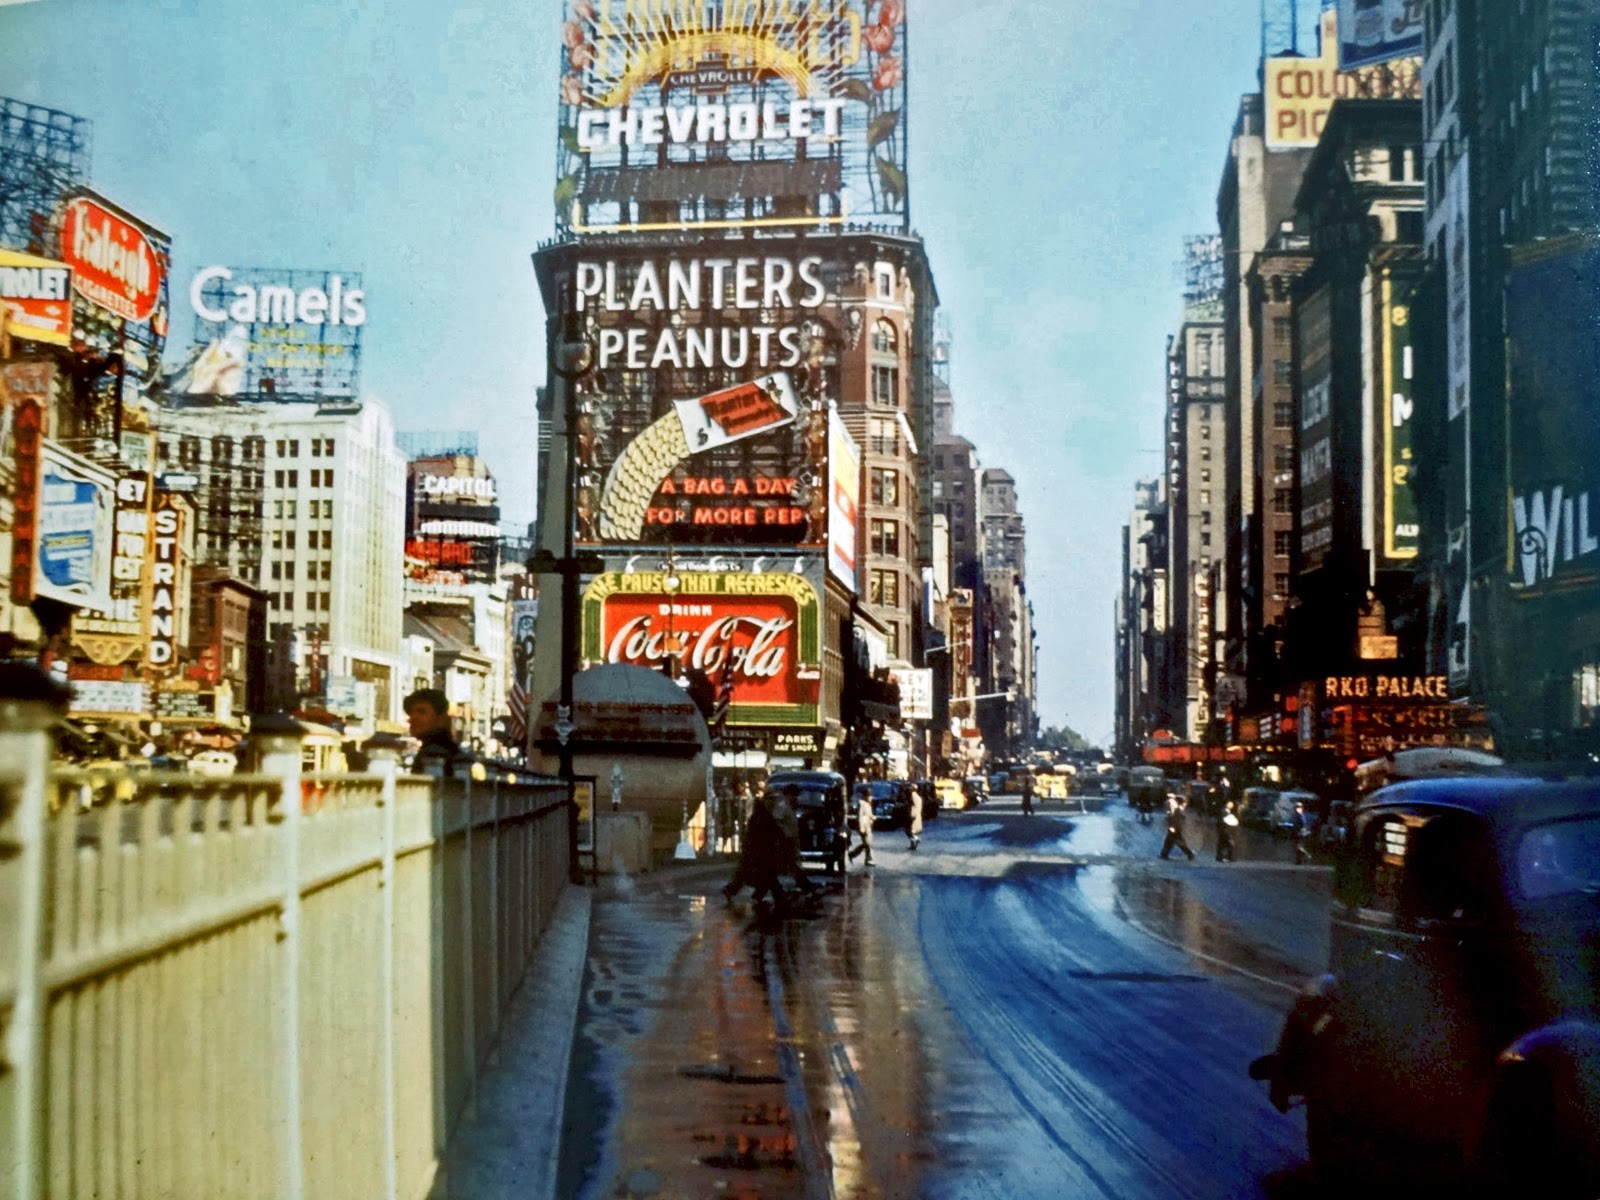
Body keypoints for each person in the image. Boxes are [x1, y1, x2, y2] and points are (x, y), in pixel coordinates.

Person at [404, 688, 461, 776]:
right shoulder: (435, 749)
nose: (412, 719)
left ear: (441, 718)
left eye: (421, 712)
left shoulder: (435, 753)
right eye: (411, 713)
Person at [1160, 794, 1196, 861]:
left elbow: (1175, 818)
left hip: (1175, 827)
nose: (1185, 804)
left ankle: (1189, 854)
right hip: (1175, 827)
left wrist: (1172, 826)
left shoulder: (1177, 809)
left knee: (1176, 841)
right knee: (1170, 841)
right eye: (1184, 802)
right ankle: (1164, 854)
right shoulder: (1177, 809)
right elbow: (1176, 818)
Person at [848, 787, 875, 866]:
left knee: (867, 844)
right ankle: (868, 859)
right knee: (868, 843)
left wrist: (872, 817)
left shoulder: (868, 805)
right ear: (866, 796)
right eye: (869, 796)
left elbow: (868, 814)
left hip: (868, 826)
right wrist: (861, 827)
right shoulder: (861, 804)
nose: (871, 798)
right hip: (864, 827)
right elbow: (860, 816)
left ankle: (857, 856)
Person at [1292, 801, 1313, 865]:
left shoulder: (1301, 815)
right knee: (1299, 846)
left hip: (1301, 833)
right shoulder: (1298, 815)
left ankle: (1302, 859)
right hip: (1300, 833)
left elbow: (1303, 824)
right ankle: (1300, 859)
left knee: (1300, 846)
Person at [906, 784, 923, 851]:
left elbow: (911, 804)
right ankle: (913, 845)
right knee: (912, 830)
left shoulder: (913, 795)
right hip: (917, 815)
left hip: (913, 815)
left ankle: (916, 839)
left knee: (908, 830)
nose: (909, 789)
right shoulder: (919, 797)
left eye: (911, 788)